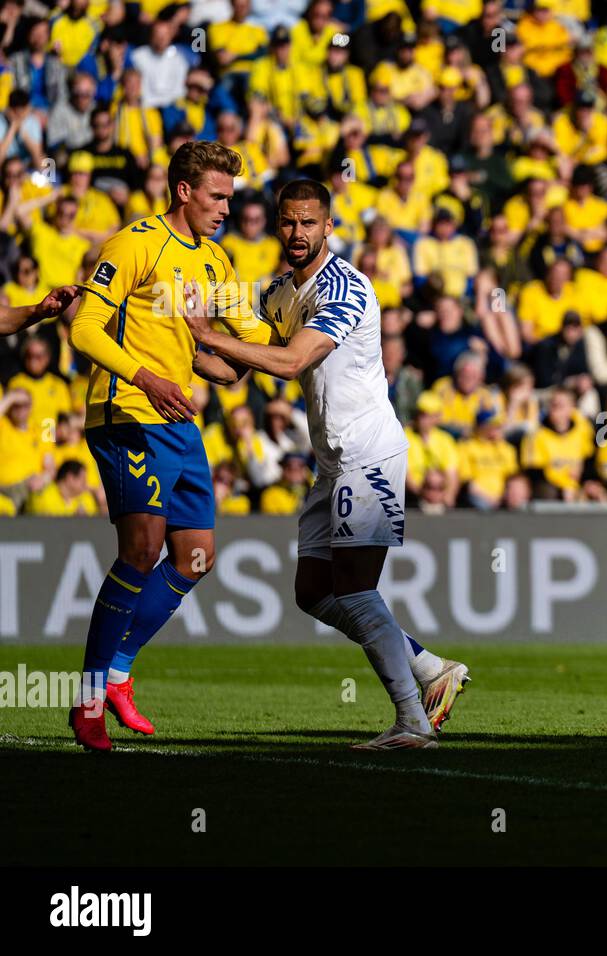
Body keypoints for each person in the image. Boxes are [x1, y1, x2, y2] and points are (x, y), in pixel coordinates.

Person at [181, 178, 469, 750]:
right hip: (332, 461)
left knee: (357, 589)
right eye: (288, 222)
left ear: (328, 226)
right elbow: (235, 372)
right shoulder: (280, 292)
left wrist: (206, 331)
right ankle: (430, 667)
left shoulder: (345, 287)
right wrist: (176, 348)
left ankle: (413, 721)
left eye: (308, 222)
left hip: (369, 453)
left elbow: (289, 363)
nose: (296, 233)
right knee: (313, 590)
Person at [66, 141, 272, 752]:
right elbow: (83, 328)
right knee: (143, 546)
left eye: (230, 198)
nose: (226, 209)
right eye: (217, 196)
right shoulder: (135, 244)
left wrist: (300, 326)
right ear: (183, 191)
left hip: (178, 418)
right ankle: (88, 697)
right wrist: (149, 378)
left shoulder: (216, 261)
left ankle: (121, 670)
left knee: (197, 557)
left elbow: (252, 333)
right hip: (128, 409)